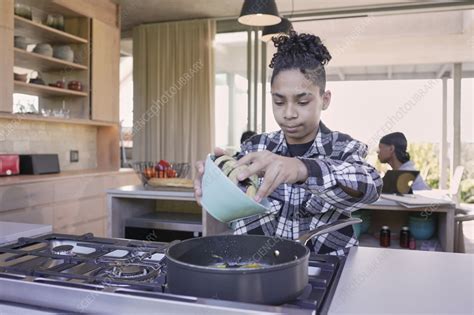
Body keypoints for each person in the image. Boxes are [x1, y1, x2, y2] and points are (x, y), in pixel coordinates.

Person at [195, 32, 382, 256]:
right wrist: (212, 179)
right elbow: (234, 194)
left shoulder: (344, 148)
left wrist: (302, 168)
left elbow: (370, 185)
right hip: (258, 268)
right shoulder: (255, 148)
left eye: (302, 101)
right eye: (279, 101)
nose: (289, 114)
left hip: (325, 270)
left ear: (325, 99)